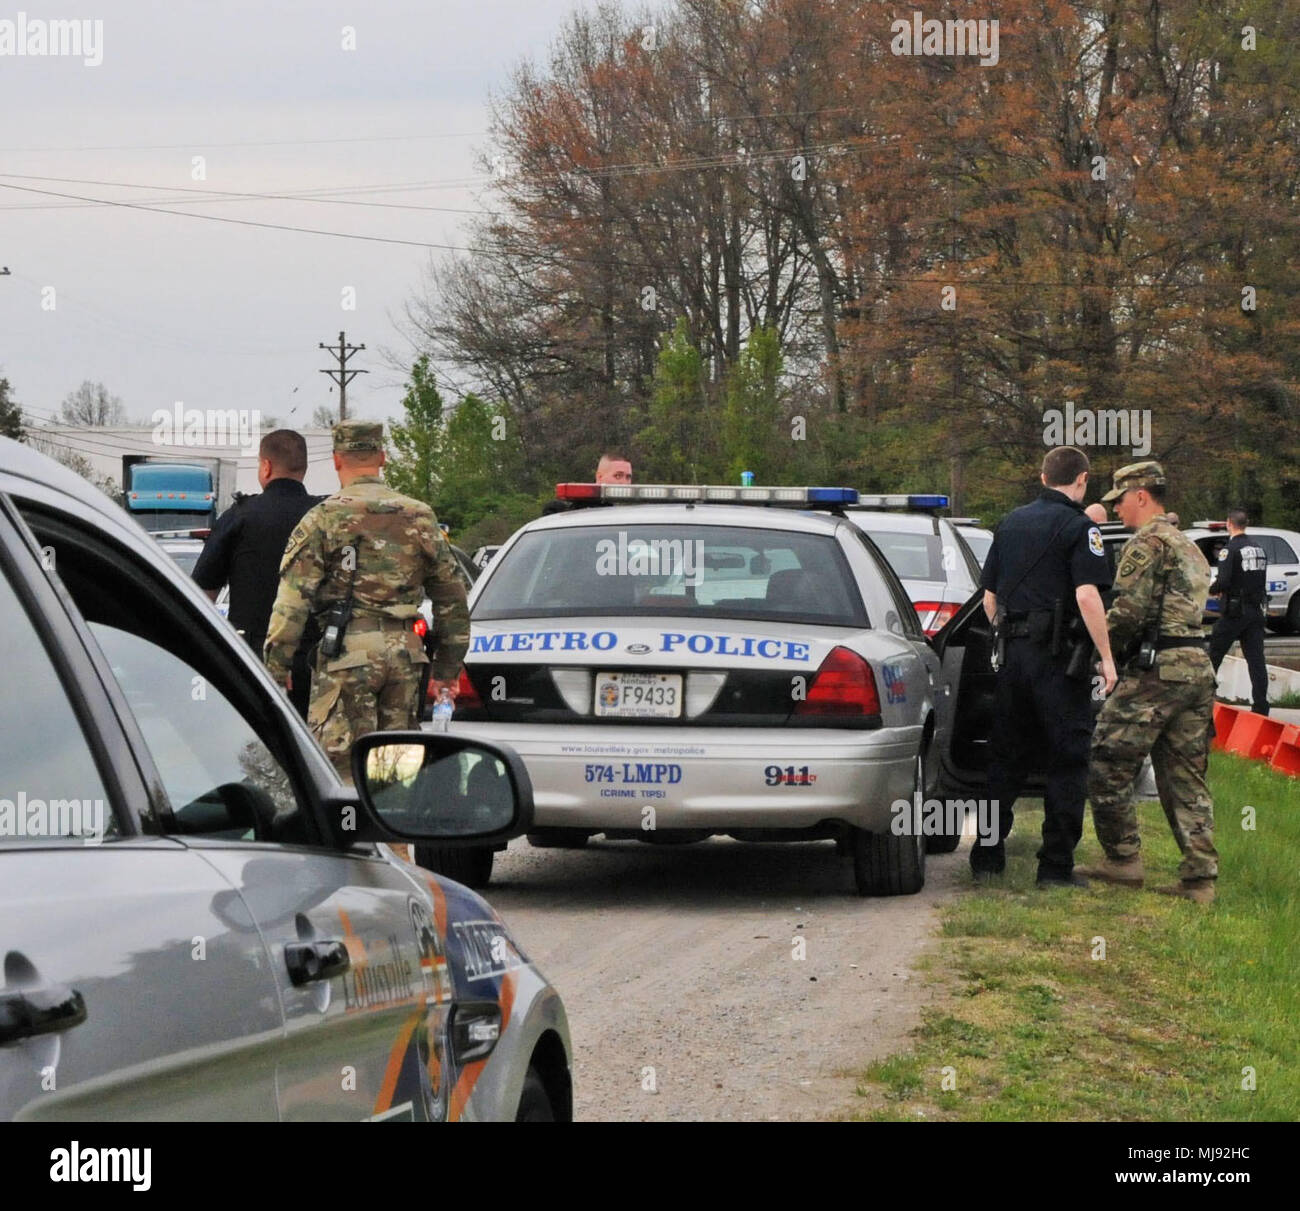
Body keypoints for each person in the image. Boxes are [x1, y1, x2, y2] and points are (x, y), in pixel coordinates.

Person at [263, 421, 470, 785]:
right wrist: (446, 672)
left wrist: (276, 671)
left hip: (346, 656)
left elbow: (292, 603)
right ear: (383, 458)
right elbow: (452, 599)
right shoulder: (420, 515)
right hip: (407, 656)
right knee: (395, 778)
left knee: (343, 778)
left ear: (337, 460)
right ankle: (396, 844)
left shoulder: (324, 518)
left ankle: (353, 840)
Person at [973, 446, 1117, 887]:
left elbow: (989, 597)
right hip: (1060, 662)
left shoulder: (1011, 523)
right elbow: (1088, 596)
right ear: (1082, 480)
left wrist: (1008, 633)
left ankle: (987, 857)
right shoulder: (1079, 528)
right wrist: (1107, 659)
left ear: (1041, 477)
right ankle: (1054, 868)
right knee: (1068, 760)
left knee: (1005, 761)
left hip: (1014, 659)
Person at [1080, 461, 1218, 904]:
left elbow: (1129, 613)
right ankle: (1200, 880)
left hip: (1158, 669)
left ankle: (1122, 860)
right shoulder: (1189, 546)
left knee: (1106, 755)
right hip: (1196, 667)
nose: (1116, 509)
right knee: (1185, 774)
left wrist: (1098, 651)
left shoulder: (1148, 543)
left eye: (1119, 500)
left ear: (1141, 495)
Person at [192, 429, 321, 717]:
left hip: (254, 659)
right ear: (304, 468)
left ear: (266, 466)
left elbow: (202, 595)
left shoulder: (240, 516)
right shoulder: (323, 516)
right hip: (318, 661)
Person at [1207, 508, 1269, 716]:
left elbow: (1224, 580)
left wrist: (1212, 590)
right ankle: (1261, 706)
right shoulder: (1258, 548)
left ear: (1229, 523)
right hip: (1255, 611)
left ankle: (1203, 700)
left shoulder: (1230, 549)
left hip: (1234, 612)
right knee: (1256, 661)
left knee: (1213, 655)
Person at [541, 452, 634, 515]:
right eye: (618, 476)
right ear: (599, 476)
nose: (624, 482)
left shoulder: (636, 513)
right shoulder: (572, 513)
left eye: (628, 477)